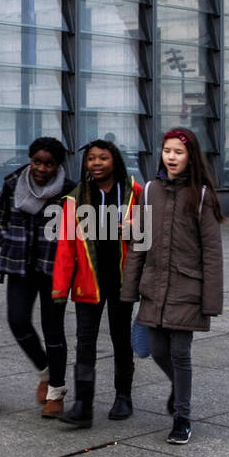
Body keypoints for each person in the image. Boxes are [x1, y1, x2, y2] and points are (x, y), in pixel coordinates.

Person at [120, 127, 223, 444]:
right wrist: (129, 288)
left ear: (190, 156)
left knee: (180, 352)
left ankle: (182, 418)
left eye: (178, 152)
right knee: (157, 350)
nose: (172, 157)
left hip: (187, 289)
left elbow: (212, 252)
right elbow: (140, 241)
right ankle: (180, 388)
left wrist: (211, 301)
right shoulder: (150, 191)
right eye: (167, 151)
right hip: (154, 287)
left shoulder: (202, 194)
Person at [51, 140, 144, 427]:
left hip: (122, 281)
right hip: (87, 282)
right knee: (85, 343)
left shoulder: (134, 192)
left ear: (114, 160)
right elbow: (66, 246)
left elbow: (148, 236)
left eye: (103, 157)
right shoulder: (76, 197)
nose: (97, 163)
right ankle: (83, 406)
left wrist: (131, 230)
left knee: (121, 339)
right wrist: (59, 289)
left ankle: (123, 397)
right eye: (91, 158)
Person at [0, 137, 75, 417]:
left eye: (49, 164)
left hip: (54, 269)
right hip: (19, 265)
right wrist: (8, 242)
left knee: (53, 331)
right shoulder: (13, 183)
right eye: (37, 161)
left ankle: (57, 393)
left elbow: (78, 232)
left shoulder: (69, 192)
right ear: (30, 160)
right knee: (17, 321)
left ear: (58, 165)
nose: (41, 168)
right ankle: (46, 372)